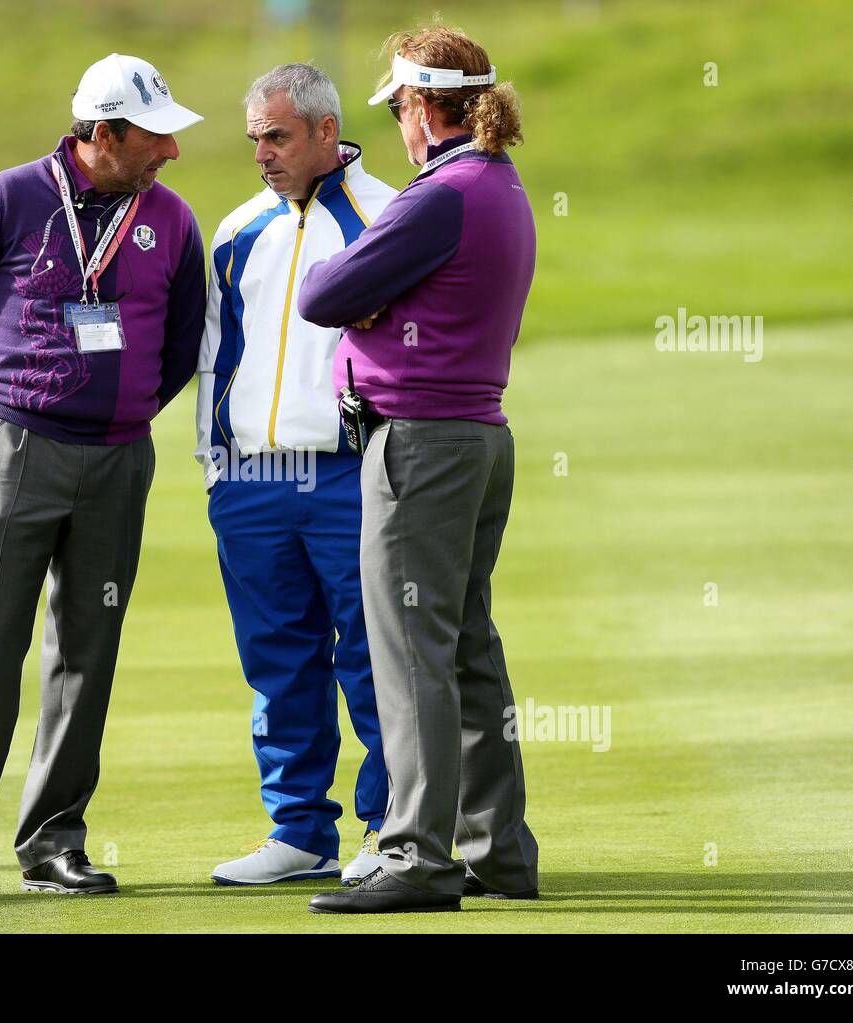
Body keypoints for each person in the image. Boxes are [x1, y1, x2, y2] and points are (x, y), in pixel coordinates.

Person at [0, 53, 206, 904]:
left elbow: (179, 344)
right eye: (157, 136)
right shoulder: (7, 200)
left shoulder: (169, 220)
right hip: (16, 449)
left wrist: (118, 412)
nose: (171, 152)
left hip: (121, 457)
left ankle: (54, 841)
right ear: (105, 134)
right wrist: (4, 420)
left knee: (86, 653)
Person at [298, 26, 540, 914]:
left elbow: (323, 295)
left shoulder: (440, 193)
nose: (397, 122)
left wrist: (368, 298)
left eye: (398, 105)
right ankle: (497, 848)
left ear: (422, 105)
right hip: (478, 438)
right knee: (465, 640)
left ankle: (417, 855)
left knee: (409, 655)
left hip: (422, 446)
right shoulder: (498, 182)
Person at [196, 65, 399, 887]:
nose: (262, 154)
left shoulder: (387, 217)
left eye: (276, 136)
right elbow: (219, 355)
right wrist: (218, 465)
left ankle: (391, 827)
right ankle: (299, 829)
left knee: (372, 659)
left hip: (349, 473)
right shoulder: (238, 228)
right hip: (251, 481)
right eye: (254, 139)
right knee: (277, 657)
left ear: (324, 131)